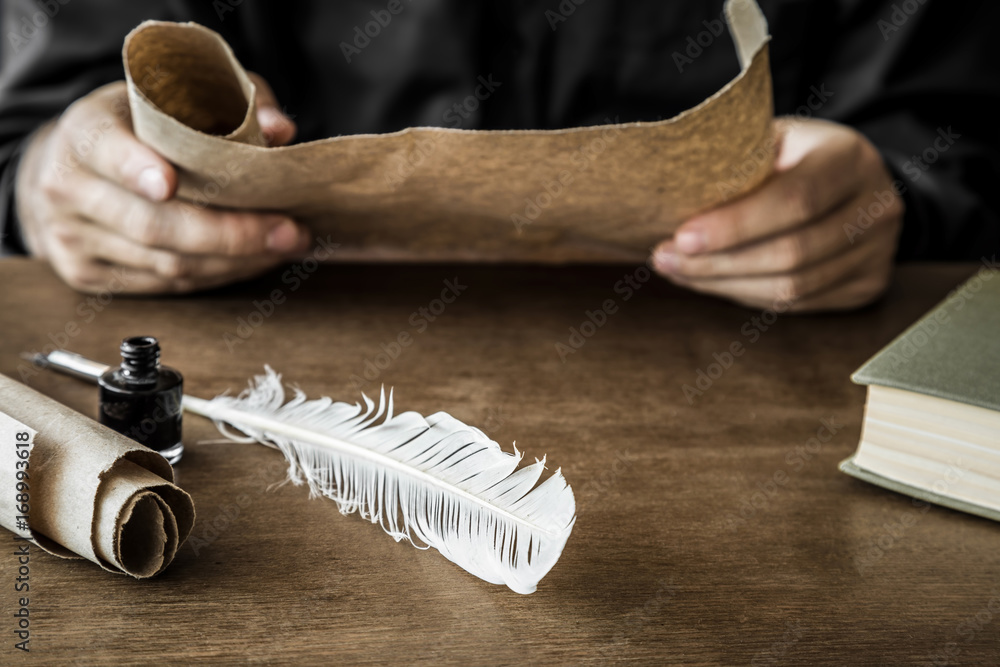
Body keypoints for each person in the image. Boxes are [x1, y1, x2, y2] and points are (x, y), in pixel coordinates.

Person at [1, 0, 997, 311]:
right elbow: (39, 120)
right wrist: (54, 176)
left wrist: (892, 199)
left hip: (762, 363)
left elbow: (949, 135)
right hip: (247, 363)